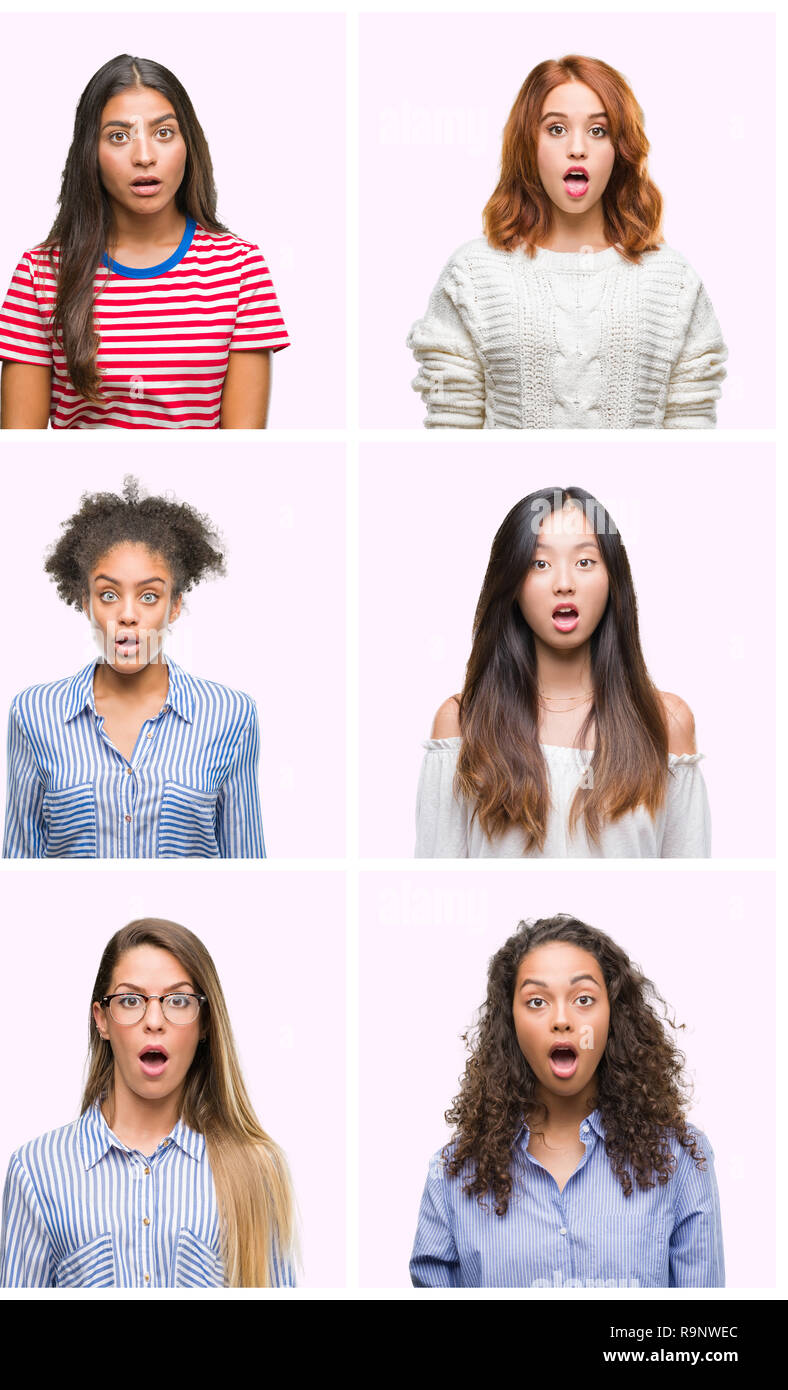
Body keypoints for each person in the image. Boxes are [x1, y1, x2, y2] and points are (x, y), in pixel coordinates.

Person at [407, 55, 726, 428]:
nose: (577, 148)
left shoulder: (674, 282)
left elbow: (691, 434)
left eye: (598, 131)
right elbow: (452, 428)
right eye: (556, 129)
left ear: (620, 149)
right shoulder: (473, 276)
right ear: (528, 143)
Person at [410, 913, 724, 1288]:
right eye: (537, 1001)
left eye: (584, 999)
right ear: (510, 1022)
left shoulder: (680, 1160)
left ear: (614, 1017)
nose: (561, 1020)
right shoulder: (452, 1175)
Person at [0, 54, 288, 429]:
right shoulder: (41, 273)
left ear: (188, 144)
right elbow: (20, 457)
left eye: (163, 132)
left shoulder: (240, 267)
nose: (144, 156)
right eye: (118, 136)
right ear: (90, 154)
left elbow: (243, 454)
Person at [0, 919, 296, 1287]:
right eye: (130, 1000)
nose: (154, 1021)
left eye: (178, 1001)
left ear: (204, 1022)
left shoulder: (257, 1169)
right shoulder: (37, 1170)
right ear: (102, 1020)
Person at [416, 485, 709, 857]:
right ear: (512, 583)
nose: (564, 583)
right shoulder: (461, 722)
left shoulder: (666, 722)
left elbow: (686, 870)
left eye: (585, 562)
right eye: (540, 563)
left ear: (612, 579)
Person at [3, 477, 263, 857]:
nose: (127, 615)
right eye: (108, 595)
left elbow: (246, 860)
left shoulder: (231, 715)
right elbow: (19, 861)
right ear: (85, 602)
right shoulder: (33, 713)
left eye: (149, 596)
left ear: (174, 605)